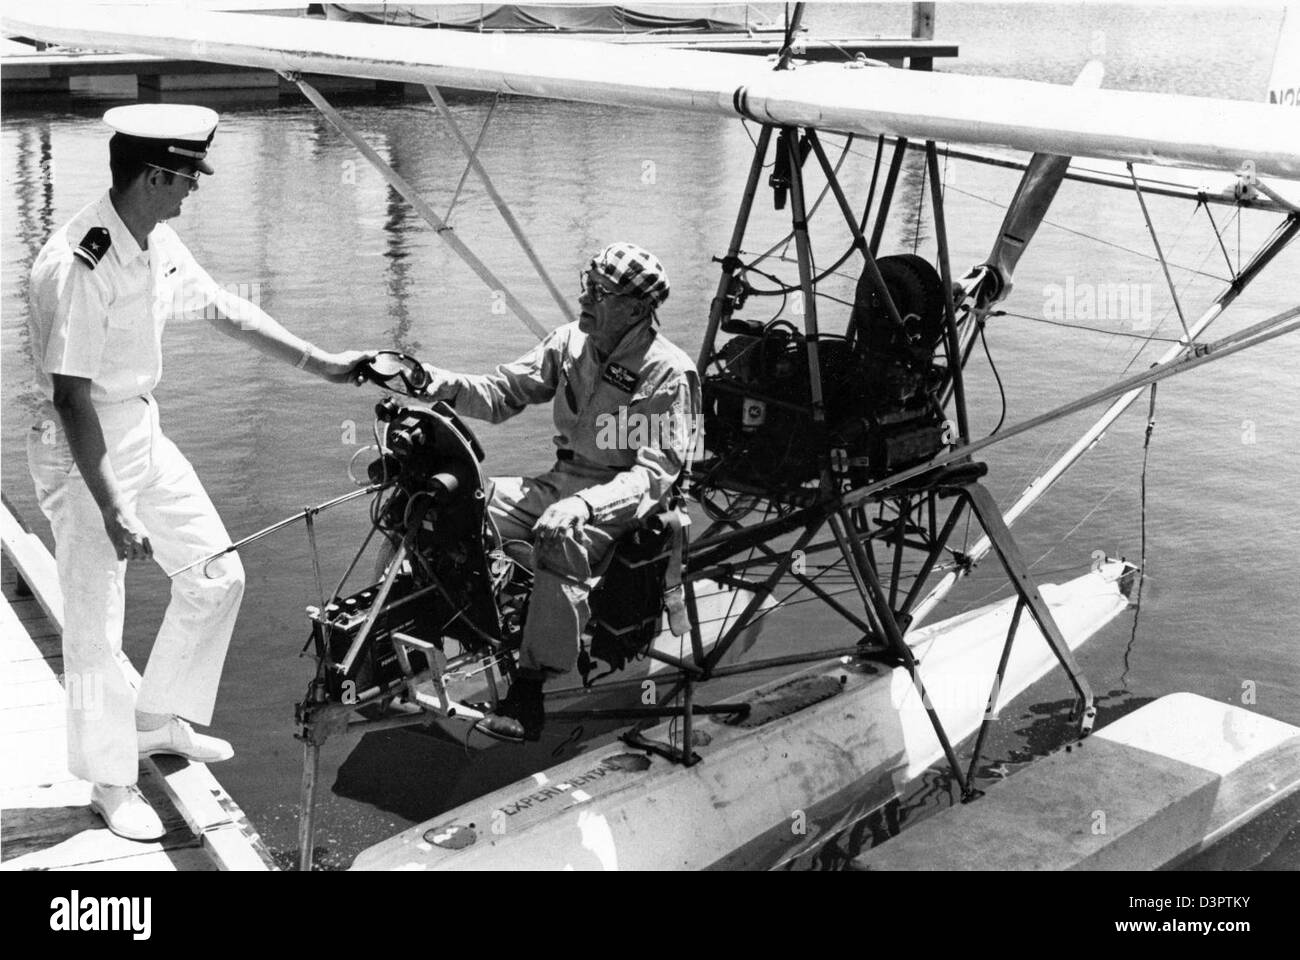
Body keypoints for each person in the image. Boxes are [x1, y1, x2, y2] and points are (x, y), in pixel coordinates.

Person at [25, 104, 372, 841]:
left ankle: (154, 718)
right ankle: (110, 781)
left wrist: (327, 365)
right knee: (96, 620)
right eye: (187, 177)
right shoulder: (80, 262)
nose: (194, 191)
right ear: (153, 175)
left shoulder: (152, 236)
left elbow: (223, 311)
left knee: (217, 573)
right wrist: (114, 505)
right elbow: (69, 396)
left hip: (135, 424)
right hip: (79, 440)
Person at [418, 242, 701, 742]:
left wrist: (584, 504)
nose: (585, 298)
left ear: (636, 309)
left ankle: (528, 693)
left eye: (600, 292)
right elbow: (502, 393)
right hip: (560, 482)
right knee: (465, 505)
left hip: (624, 505)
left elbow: (655, 474)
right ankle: (461, 619)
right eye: (587, 286)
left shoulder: (667, 372)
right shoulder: (570, 342)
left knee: (557, 537)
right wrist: (430, 382)